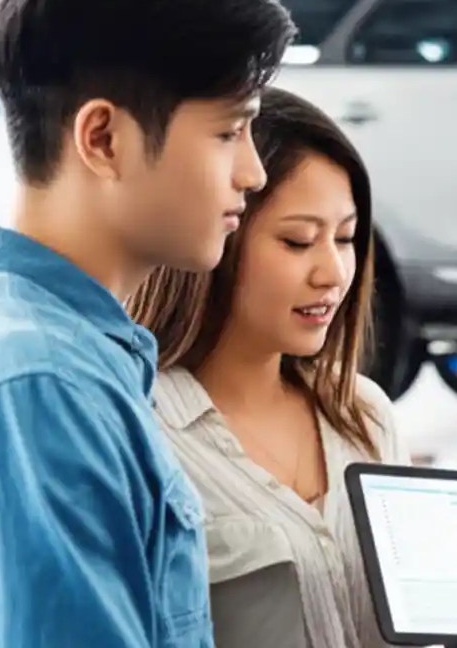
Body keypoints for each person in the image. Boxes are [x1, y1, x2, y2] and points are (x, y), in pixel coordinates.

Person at [0, 0, 295, 645]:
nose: (253, 173)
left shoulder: (12, 331)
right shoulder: (38, 385)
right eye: (229, 133)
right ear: (103, 139)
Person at [126, 85, 411, 648]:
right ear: (218, 235)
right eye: (298, 241)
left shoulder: (366, 415)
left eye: (347, 238)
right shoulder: (140, 431)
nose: (333, 272)